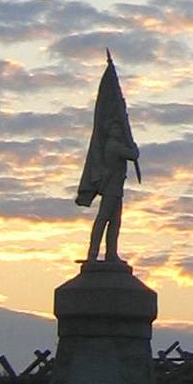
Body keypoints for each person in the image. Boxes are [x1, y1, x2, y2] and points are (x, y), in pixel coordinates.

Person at [75, 53, 141, 264]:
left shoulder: (116, 143)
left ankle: (111, 253)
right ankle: (93, 255)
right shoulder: (113, 146)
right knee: (104, 219)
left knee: (115, 221)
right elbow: (132, 155)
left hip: (117, 187)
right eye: (115, 128)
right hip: (111, 186)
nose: (117, 130)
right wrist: (133, 146)